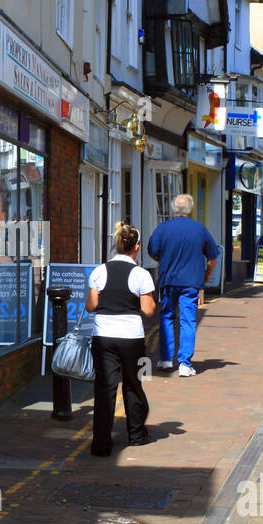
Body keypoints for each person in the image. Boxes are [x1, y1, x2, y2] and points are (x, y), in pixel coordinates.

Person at [84, 222, 156, 456]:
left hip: (103, 335)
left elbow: (91, 306)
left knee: (105, 388)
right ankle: (136, 435)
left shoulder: (99, 271)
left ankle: (101, 445)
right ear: (136, 247)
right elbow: (148, 310)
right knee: (133, 385)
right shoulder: (140, 274)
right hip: (130, 337)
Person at [147, 193, 218, 376]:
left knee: (166, 317)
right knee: (188, 320)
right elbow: (213, 255)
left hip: (168, 280)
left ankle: (165, 359)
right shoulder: (199, 229)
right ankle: (185, 364)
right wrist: (206, 275)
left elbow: (152, 251)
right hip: (191, 282)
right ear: (190, 209)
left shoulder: (163, 228)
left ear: (173, 209)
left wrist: (164, 260)